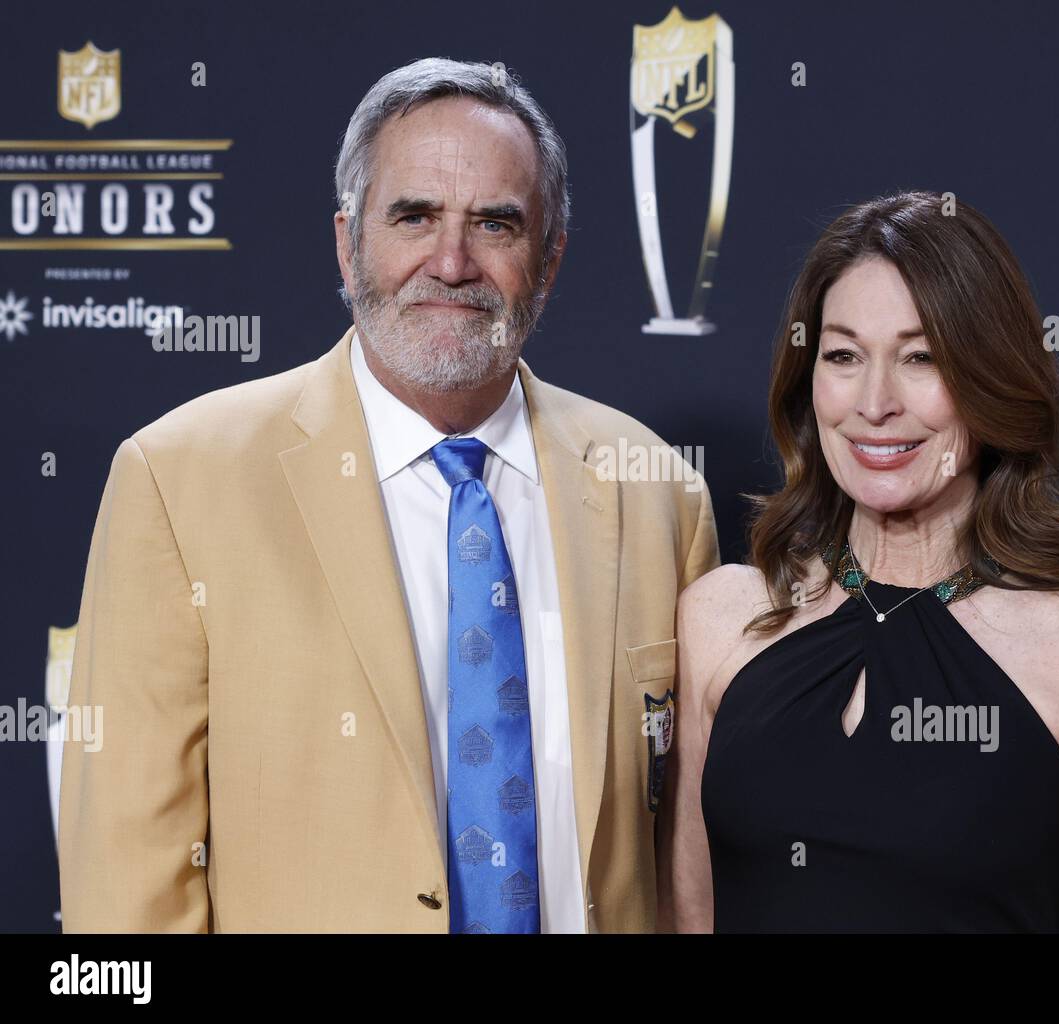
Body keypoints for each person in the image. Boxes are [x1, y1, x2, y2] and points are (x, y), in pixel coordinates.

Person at [57, 57, 719, 933]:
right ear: (347, 242)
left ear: (549, 259)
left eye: (495, 223)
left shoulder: (660, 493)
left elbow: (691, 869)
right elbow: (126, 888)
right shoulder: (178, 480)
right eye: (414, 216)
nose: (451, 262)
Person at [659, 191, 1059, 933]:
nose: (875, 402)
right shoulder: (720, 619)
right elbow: (682, 916)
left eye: (921, 357)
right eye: (843, 356)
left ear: (988, 376)